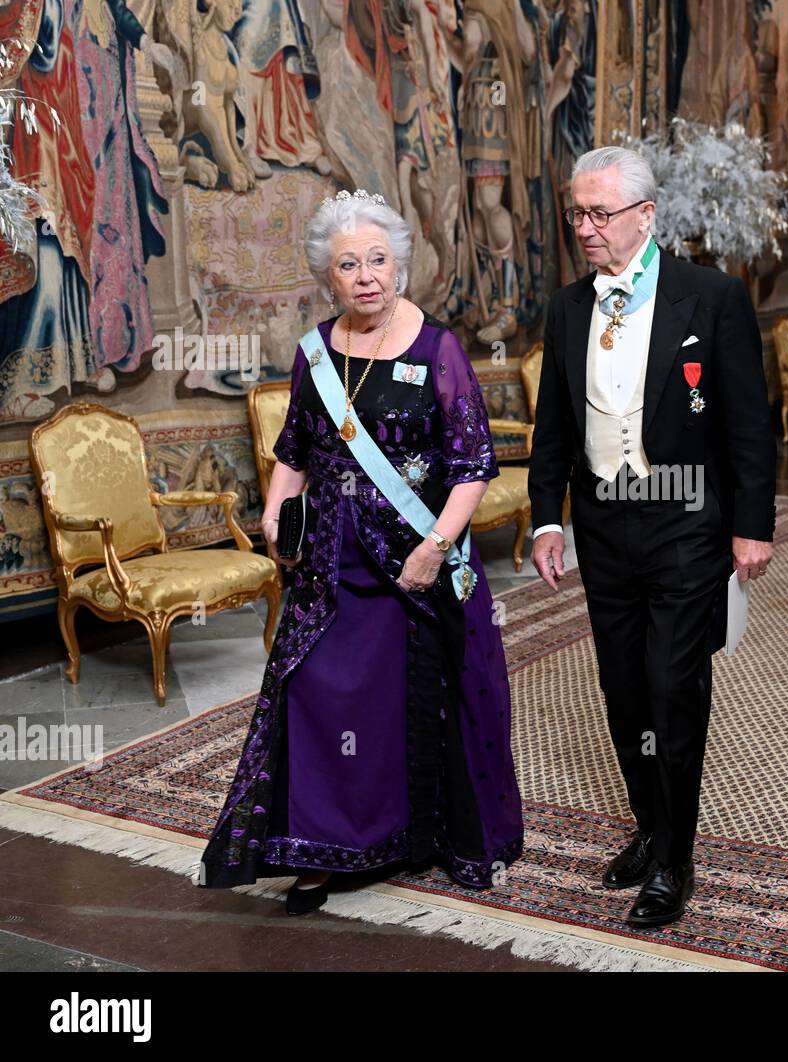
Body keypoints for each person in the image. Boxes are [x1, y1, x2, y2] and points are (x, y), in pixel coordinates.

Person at [198, 188, 523, 914]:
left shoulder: (438, 349)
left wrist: (437, 546)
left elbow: (472, 466)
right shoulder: (316, 351)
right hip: (331, 565)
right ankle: (318, 848)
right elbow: (296, 449)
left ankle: (407, 835)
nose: (366, 275)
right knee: (314, 693)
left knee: (397, 703)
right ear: (329, 276)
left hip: (412, 564)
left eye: (378, 259)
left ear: (400, 266)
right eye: (350, 264)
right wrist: (279, 509)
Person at [528, 146, 777, 927]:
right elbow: (552, 427)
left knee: (673, 689)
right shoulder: (569, 307)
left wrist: (751, 527)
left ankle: (676, 860)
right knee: (622, 689)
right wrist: (546, 516)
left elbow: (749, 424)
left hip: (685, 523)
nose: (585, 228)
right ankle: (650, 825)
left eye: (600, 213)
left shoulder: (712, 298)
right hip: (605, 525)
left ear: (646, 215)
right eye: (577, 213)